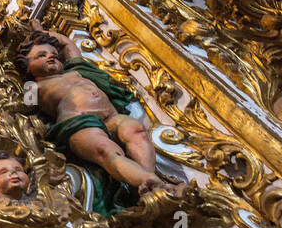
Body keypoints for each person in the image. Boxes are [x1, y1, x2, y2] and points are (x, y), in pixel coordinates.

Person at [16, 20, 172, 198]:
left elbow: (67, 43)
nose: (50, 56)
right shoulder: (32, 86)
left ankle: (146, 182)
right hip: (79, 123)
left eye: (53, 54)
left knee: (137, 130)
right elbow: (27, 109)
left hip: (111, 117)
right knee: (104, 149)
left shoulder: (75, 70)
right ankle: (145, 180)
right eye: (40, 56)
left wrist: (42, 32)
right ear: (27, 67)